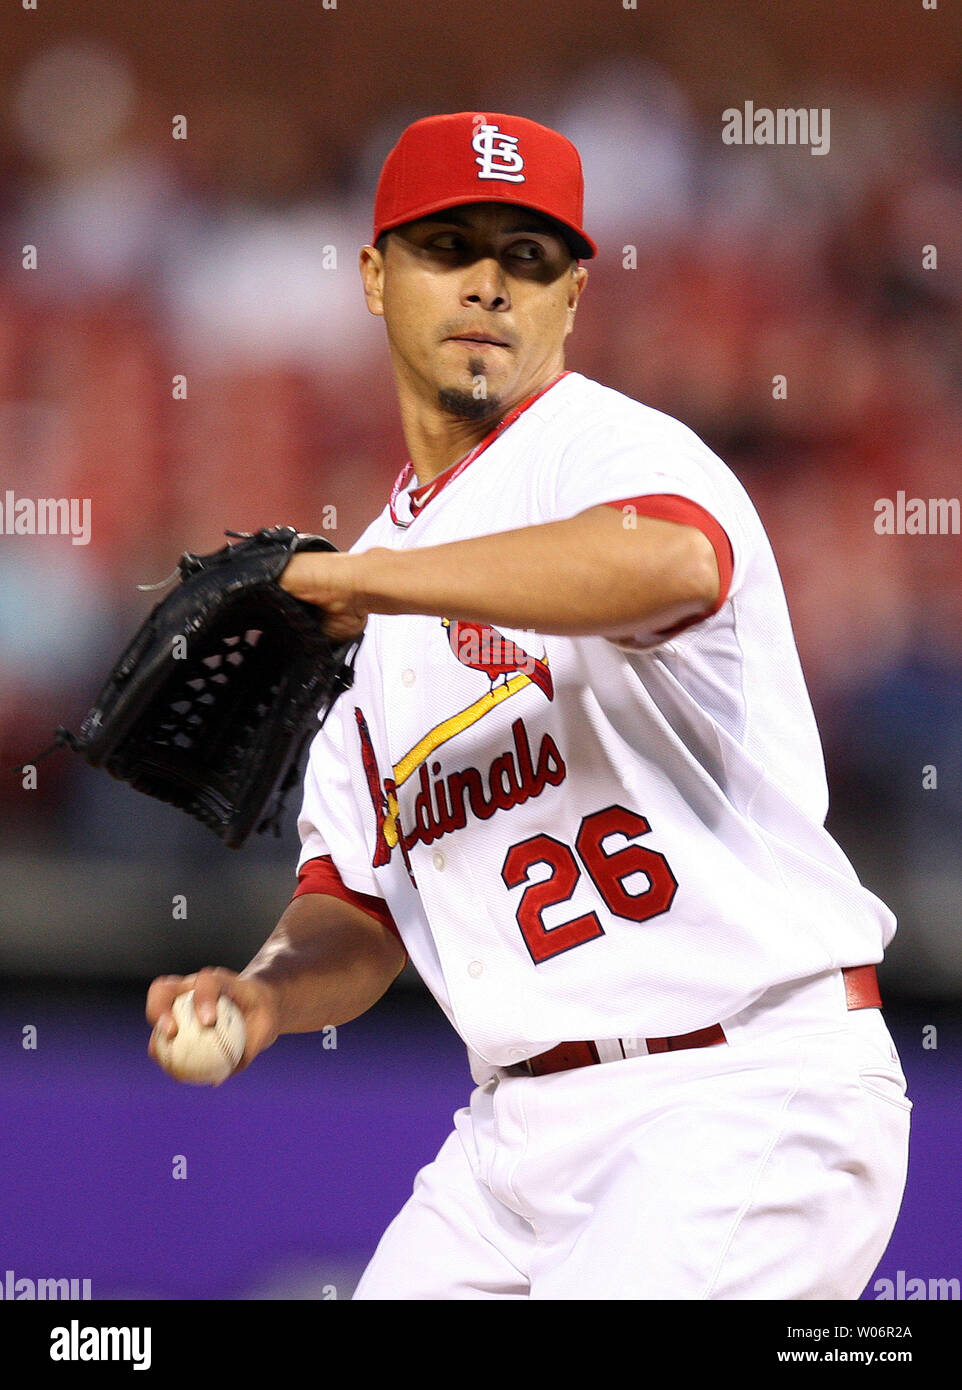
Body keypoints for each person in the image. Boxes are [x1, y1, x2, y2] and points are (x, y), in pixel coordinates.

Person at [147, 111, 911, 1300]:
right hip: (512, 1137)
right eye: (448, 245)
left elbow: (671, 564)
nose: (490, 283)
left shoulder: (604, 453)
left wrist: (358, 581)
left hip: (740, 1086)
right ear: (373, 275)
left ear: (571, 297)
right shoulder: (369, 603)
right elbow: (353, 908)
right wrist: (257, 996)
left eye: (530, 255)